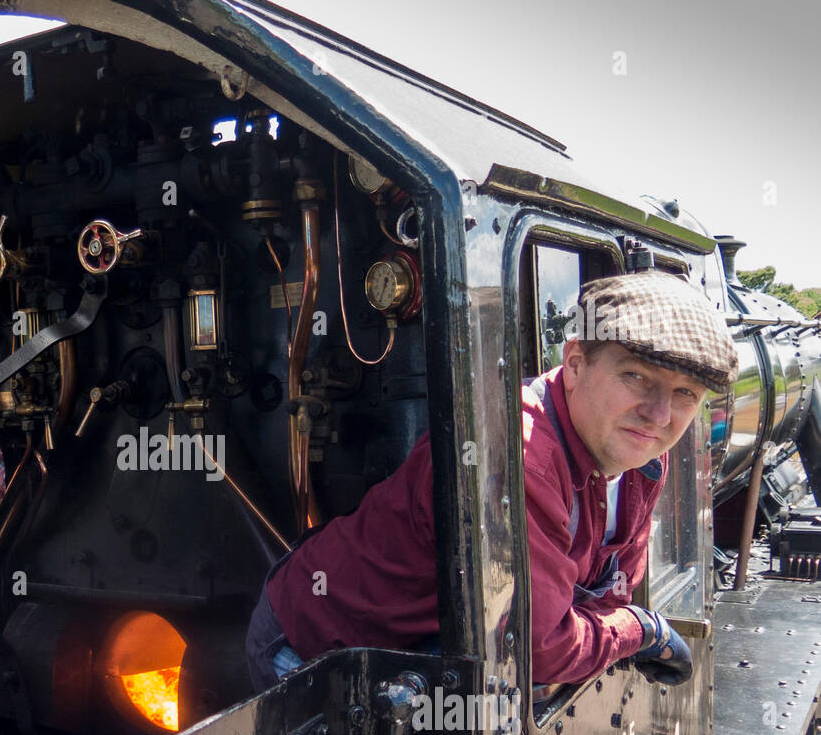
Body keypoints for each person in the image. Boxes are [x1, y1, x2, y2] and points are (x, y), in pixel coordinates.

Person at [246, 270, 738, 693]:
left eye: (685, 394)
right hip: (317, 639)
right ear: (574, 364)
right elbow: (542, 651)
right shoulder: (517, 457)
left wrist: (601, 622)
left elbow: (611, 593)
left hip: (420, 648)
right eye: (635, 376)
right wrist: (641, 630)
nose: (659, 413)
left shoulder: (642, 452)